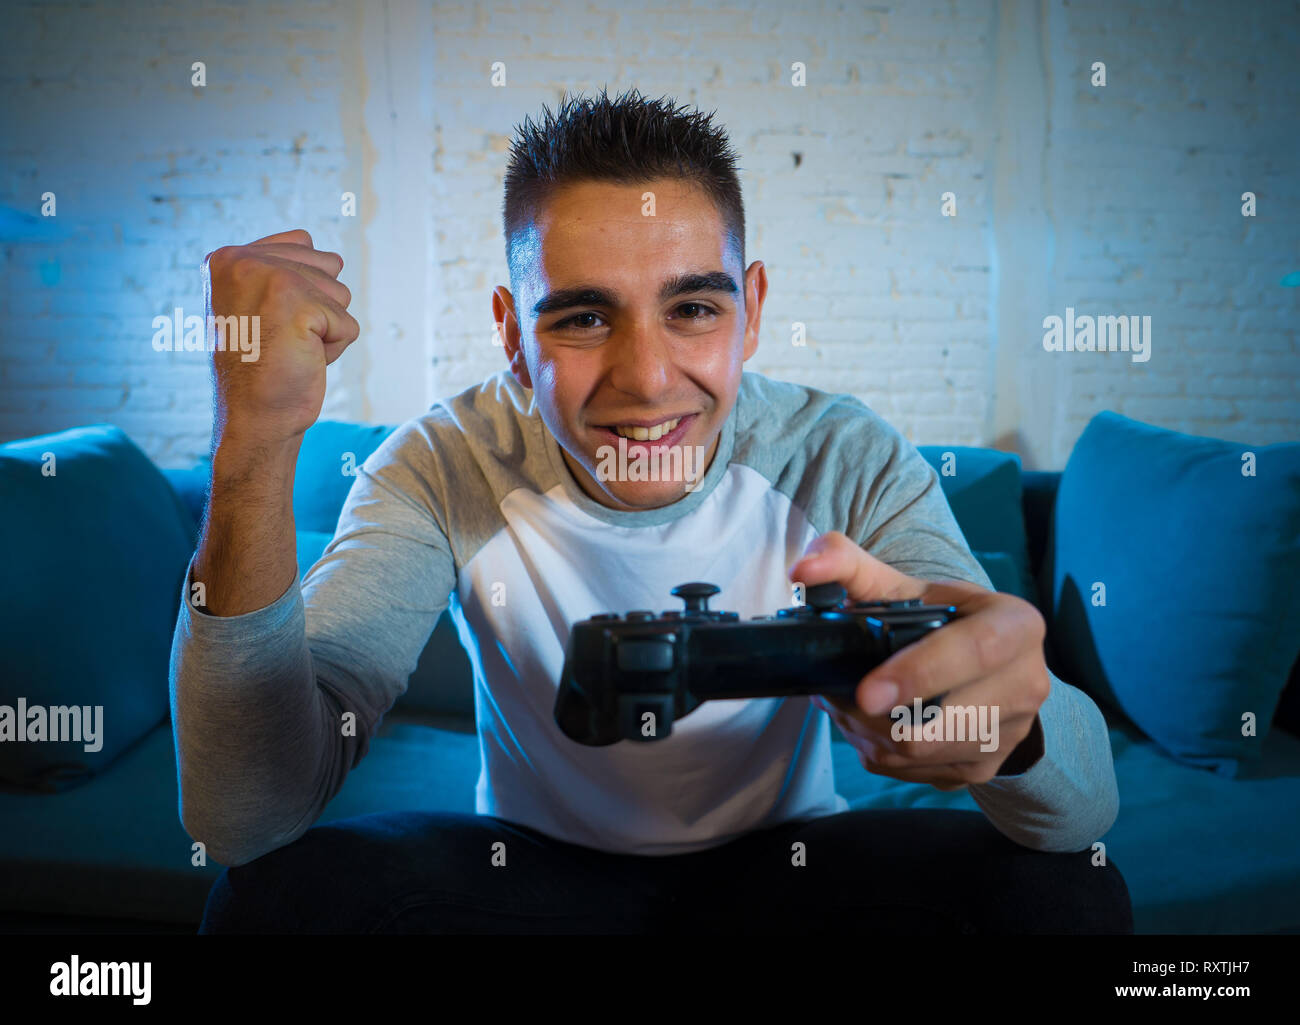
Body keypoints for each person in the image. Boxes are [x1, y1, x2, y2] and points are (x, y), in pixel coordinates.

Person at [172, 87, 1131, 934]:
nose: (646, 379)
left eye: (694, 309)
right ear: (513, 333)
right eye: (584, 316)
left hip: (790, 869)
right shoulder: (442, 464)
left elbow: (1079, 811)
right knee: (276, 901)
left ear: (750, 310)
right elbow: (246, 814)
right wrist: (253, 440)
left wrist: (1016, 723)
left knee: (1067, 894)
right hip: (530, 873)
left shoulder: (843, 454)